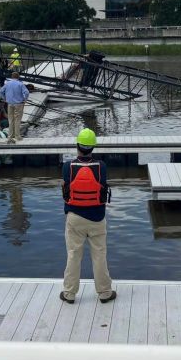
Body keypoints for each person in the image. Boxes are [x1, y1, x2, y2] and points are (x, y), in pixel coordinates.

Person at [60, 128, 115, 305]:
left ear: (77, 145)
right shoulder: (102, 166)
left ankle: (69, 293)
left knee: (73, 254)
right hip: (97, 217)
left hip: (74, 216)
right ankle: (105, 293)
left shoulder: (68, 166)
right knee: (99, 254)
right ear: (93, 148)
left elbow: (65, 189)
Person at [0, 71, 29, 143]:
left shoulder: (7, 84)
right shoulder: (20, 84)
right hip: (18, 104)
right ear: (18, 77)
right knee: (17, 120)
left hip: (10, 104)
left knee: (10, 120)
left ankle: (10, 137)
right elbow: (26, 92)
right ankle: (17, 136)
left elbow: (1, 91)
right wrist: (25, 99)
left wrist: (4, 98)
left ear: (12, 77)